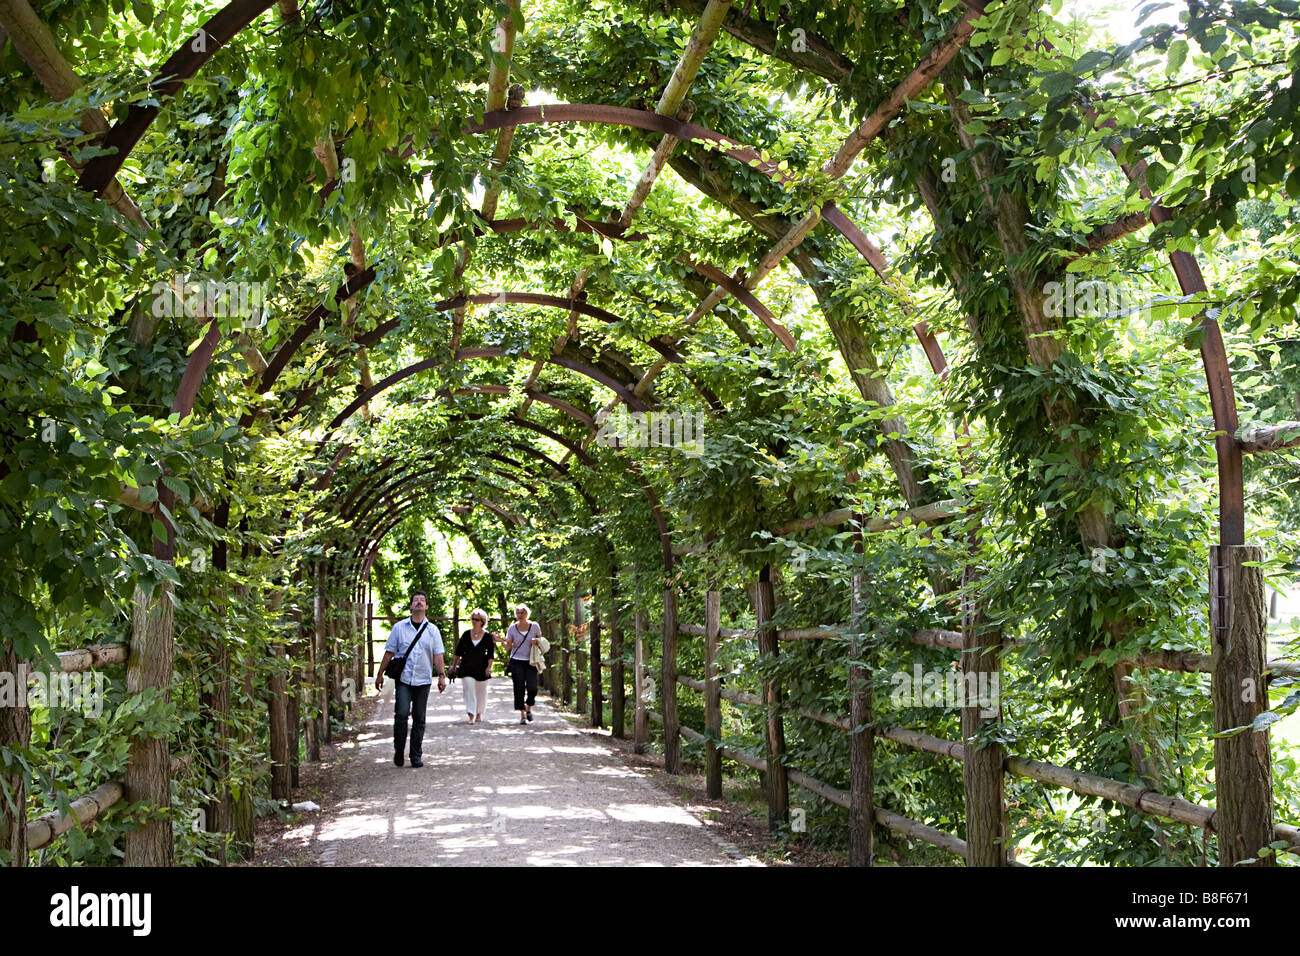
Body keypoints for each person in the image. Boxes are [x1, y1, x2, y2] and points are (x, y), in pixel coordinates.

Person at [374, 591, 447, 767]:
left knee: (419, 718)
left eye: (422, 600)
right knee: (401, 714)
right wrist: (379, 674)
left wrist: (442, 676)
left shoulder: (433, 630)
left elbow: (438, 655)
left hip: (423, 679)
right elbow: (389, 652)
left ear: (427, 606)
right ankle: (399, 751)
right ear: (411, 606)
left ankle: (416, 755)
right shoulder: (399, 627)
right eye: (416, 600)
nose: (419, 603)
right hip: (404, 679)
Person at [450, 608, 494, 724]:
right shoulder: (465, 635)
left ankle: (479, 712)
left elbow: (490, 654)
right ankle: (471, 714)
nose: (474, 621)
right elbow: (458, 652)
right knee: (469, 688)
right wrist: (453, 666)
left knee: (481, 691)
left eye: (477, 619)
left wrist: (489, 667)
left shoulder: (487, 637)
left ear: (482, 621)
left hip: (481, 668)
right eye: (472, 619)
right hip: (467, 667)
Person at [504, 604, 542, 724]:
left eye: (522, 613)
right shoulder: (512, 628)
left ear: (527, 614)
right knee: (519, 687)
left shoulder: (534, 626)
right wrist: (501, 642)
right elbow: (507, 646)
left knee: (532, 688)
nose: (520, 615)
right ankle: (522, 715)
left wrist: (536, 641)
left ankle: (529, 707)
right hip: (516, 661)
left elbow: (542, 641)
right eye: (518, 613)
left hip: (531, 661)